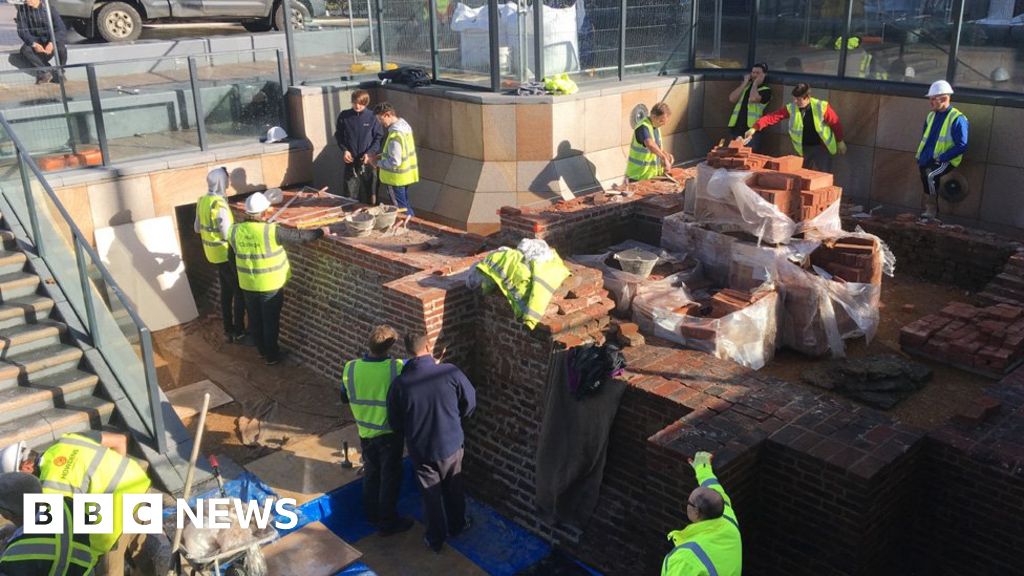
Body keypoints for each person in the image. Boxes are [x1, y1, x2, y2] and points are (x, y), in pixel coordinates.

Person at [0, 432, 150, 576]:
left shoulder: (50, 487)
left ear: (26, 467)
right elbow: (120, 440)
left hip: (116, 517)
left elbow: (60, 532)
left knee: (108, 569)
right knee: (146, 553)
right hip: (140, 486)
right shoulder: (66, 441)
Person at [387, 332, 477, 553]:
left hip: (422, 449)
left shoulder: (400, 385)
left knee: (430, 495)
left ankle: (435, 538)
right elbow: (470, 400)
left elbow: (395, 421)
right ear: (428, 346)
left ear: (408, 351)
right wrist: (459, 420)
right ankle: (457, 525)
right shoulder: (450, 372)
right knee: (453, 486)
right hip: (451, 444)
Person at [228, 191, 325, 365]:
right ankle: (272, 356)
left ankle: (262, 351)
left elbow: (232, 256)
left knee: (255, 320)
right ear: (264, 213)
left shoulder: (234, 231)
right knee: (270, 321)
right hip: (270, 285)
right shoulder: (271, 231)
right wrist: (321, 231)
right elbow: (300, 237)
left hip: (248, 284)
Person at [341, 325, 414, 536]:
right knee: (389, 479)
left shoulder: (351, 368)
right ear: (390, 346)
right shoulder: (395, 368)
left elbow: (344, 396)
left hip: (365, 432)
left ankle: (371, 515)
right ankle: (387, 522)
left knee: (372, 475)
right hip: (389, 434)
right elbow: (413, 368)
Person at [0, 472, 98, 576]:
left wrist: (4, 549)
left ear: (7, 514)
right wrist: (17, 530)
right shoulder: (70, 508)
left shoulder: (14, 556)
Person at [661, 451, 741, 576]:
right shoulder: (728, 517)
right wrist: (702, 467)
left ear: (696, 512)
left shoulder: (686, 559)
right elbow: (713, 486)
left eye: (689, 502)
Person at [745, 83, 847, 173]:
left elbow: (835, 123)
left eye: (798, 99)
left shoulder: (821, 106)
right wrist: (754, 128)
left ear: (807, 98)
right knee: (801, 175)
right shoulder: (791, 107)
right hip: (803, 149)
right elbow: (773, 117)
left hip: (822, 148)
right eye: (794, 98)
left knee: (824, 175)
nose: (794, 101)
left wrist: (840, 141)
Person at [194, 167, 246, 343]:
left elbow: (196, 228)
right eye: (227, 180)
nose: (229, 183)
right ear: (221, 182)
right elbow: (227, 233)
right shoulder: (219, 205)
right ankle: (239, 331)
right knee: (239, 292)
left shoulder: (202, 201)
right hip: (225, 253)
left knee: (226, 291)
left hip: (212, 253)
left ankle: (228, 328)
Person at [915, 80, 969, 221]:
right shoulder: (931, 116)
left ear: (944, 99)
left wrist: (943, 157)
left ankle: (931, 209)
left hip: (946, 159)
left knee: (931, 176)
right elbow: (926, 138)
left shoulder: (957, 118)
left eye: (933, 99)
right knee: (925, 176)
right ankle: (928, 211)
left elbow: (962, 144)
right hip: (928, 157)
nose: (930, 103)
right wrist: (921, 157)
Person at [369, 103, 418, 230]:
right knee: (405, 205)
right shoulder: (404, 128)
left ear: (388, 115)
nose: (380, 123)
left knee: (400, 208)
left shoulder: (395, 135)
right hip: (405, 176)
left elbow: (394, 162)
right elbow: (399, 153)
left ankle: (407, 227)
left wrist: (376, 163)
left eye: (381, 119)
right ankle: (412, 223)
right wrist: (381, 156)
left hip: (394, 178)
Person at [335, 89, 384, 205]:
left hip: (368, 161)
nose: (357, 106)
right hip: (351, 161)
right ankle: (351, 213)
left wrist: (370, 153)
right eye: (354, 102)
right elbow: (339, 136)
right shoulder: (344, 116)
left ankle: (371, 213)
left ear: (366, 103)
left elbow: (379, 137)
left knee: (370, 191)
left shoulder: (373, 117)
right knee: (350, 192)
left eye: (360, 103)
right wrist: (345, 150)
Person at [15, 0, 67, 85]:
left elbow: (60, 28)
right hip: (36, 41)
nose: (26, 0)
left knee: (61, 48)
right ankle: (46, 71)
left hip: (50, 39)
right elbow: (22, 31)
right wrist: (34, 44)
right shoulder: (22, 10)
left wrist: (52, 43)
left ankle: (60, 71)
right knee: (25, 50)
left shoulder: (50, 9)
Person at [727, 63, 772, 152]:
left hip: (752, 130)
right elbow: (732, 98)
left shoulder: (766, 90)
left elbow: (753, 98)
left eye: (758, 73)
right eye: (753, 72)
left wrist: (755, 84)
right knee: (732, 155)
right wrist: (744, 83)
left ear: (764, 74)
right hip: (736, 127)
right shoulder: (745, 87)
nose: (754, 75)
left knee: (748, 155)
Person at [626, 102, 674, 182]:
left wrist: (667, 156)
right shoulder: (642, 127)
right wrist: (664, 158)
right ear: (653, 116)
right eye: (661, 121)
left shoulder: (655, 127)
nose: (664, 124)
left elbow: (656, 149)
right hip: (638, 177)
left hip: (651, 176)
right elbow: (650, 144)